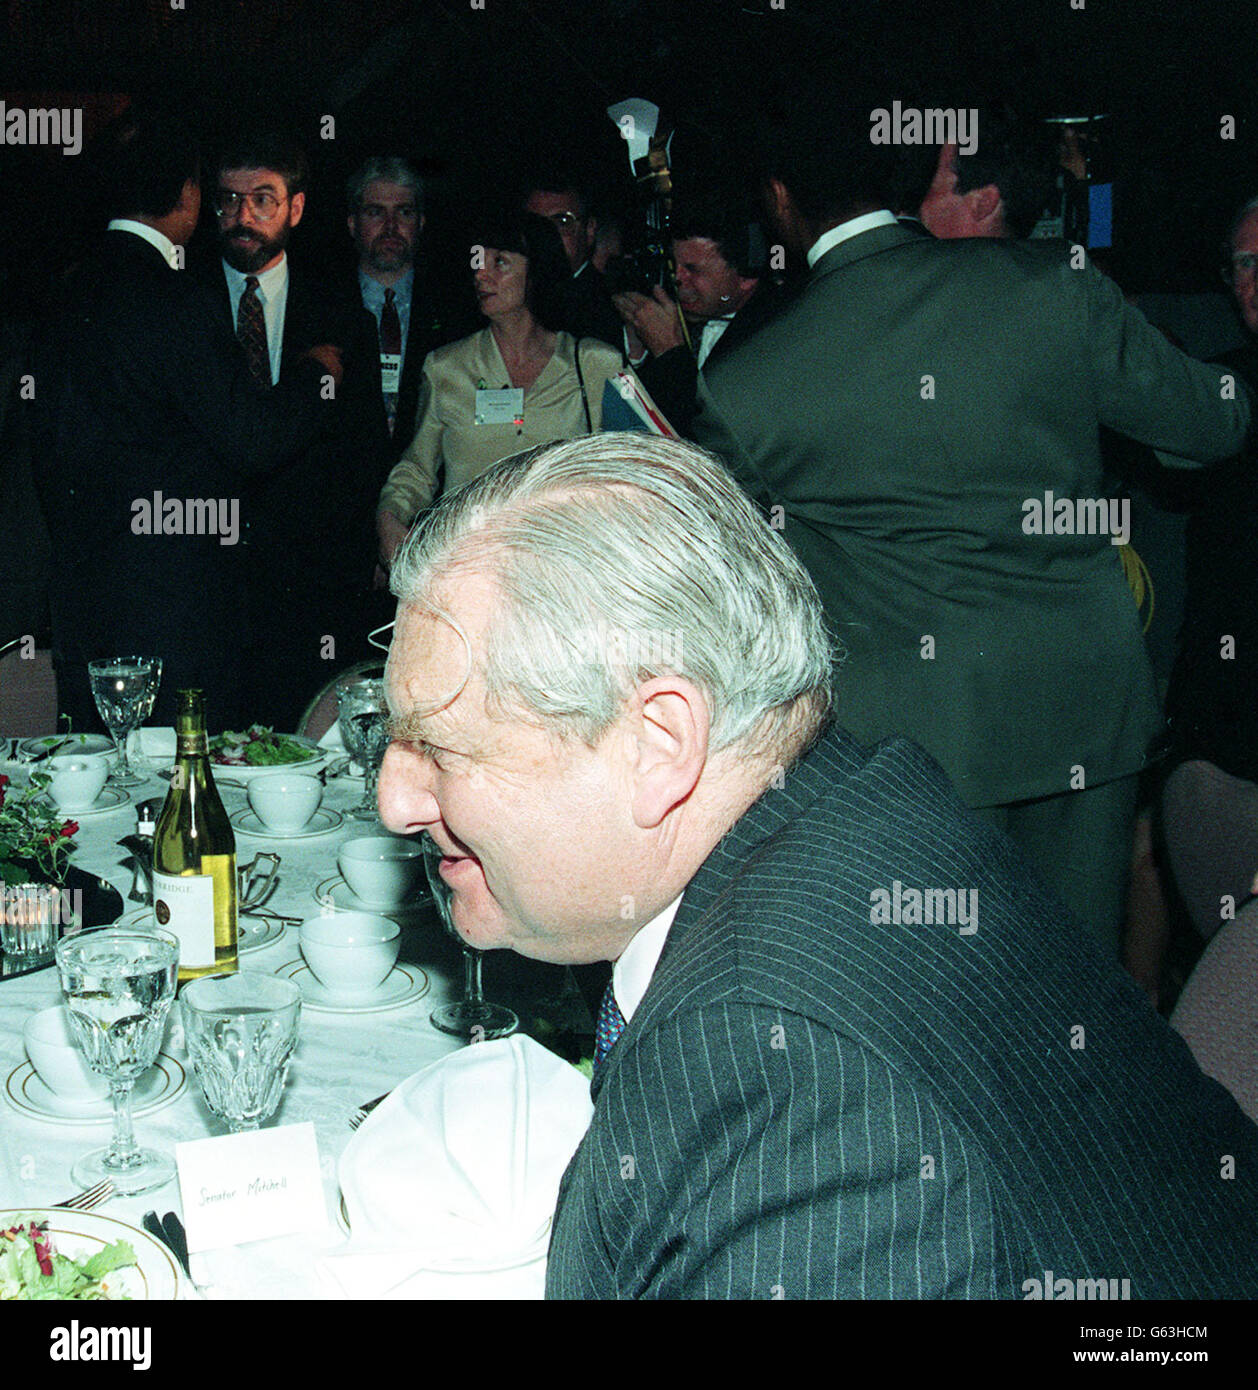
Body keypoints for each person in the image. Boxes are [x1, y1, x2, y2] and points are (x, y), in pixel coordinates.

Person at [376, 431, 1258, 1299]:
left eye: (439, 747)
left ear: (658, 743)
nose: (393, 802)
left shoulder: (776, 1068)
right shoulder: (871, 800)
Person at [693, 92, 1252, 953]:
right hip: (1081, 709)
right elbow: (1211, 426)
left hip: (911, 741)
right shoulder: (1052, 286)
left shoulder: (745, 380)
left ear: (779, 200)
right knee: (1076, 998)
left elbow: (731, 590)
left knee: (944, 1013)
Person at [28, 105, 342, 731]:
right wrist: (317, 373)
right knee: (183, 780)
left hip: (81, 594)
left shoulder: (60, 291)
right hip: (172, 602)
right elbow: (252, 438)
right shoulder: (179, 299)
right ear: (191, 196)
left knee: (107, 773)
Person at [204, 128, 388, 728]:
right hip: (205, 574)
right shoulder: (185, 305)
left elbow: (364, 453)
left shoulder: (340, 318)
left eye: (262, 198)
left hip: (309, 585)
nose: (242, 217)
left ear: (296, 208)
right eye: (228, 200)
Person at [375, 209, 630, 573]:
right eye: (478, 261)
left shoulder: (593, 364)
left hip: (566, 575)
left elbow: (639, 464)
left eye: (500, 263)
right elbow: (416, 470)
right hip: (469, 573)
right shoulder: (446, 368)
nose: (481, 274)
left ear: (536, 270)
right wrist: (389, 518)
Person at [613, 186, 785, 438]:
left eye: (693, 269)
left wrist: (670, 353)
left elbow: (709, 432)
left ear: (745, 277)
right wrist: (639, 347)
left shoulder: (773, 332)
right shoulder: (681, 319)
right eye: (675, 265)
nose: (678, 278)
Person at [346, 155, 443, 462]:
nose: (390, 227)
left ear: (421, 223)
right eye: (375, 212)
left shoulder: (453, 308)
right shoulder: (319, 308)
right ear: (353, 223)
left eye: (403, 212)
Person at [524, 176, 624, 349]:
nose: (548, 235)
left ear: (589, 229)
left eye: (562, 222)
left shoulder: (611, 302)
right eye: (536, 225)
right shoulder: (510, 293)